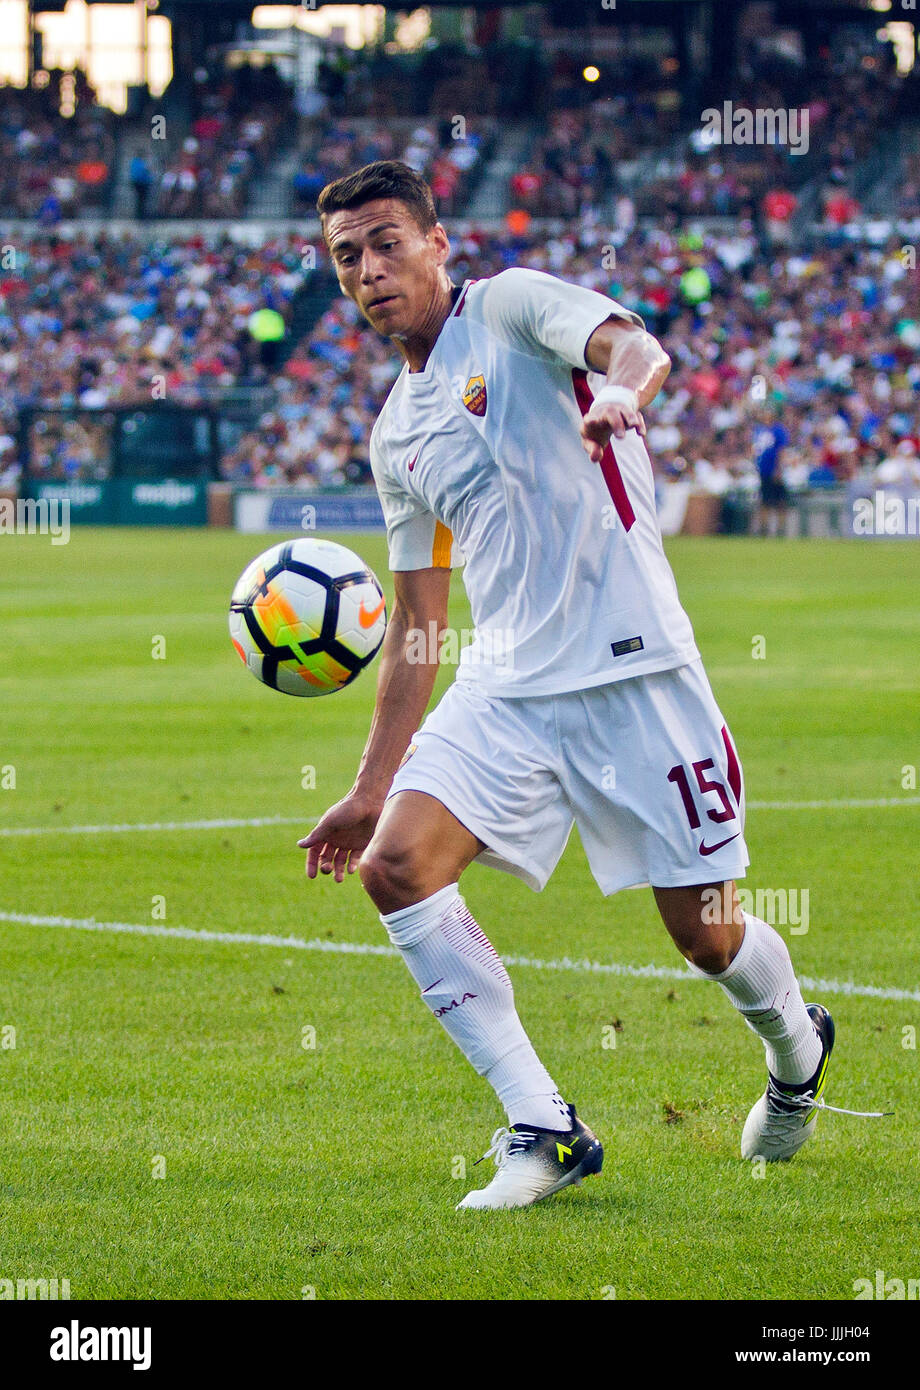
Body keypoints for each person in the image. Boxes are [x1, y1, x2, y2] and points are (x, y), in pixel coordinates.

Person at [299, 161, 836, 1210]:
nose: (368, 269)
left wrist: (621, 402)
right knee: (397, 866)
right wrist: (369, 785)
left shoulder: (509, 306)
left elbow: (637, 348)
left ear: (436, 241)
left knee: (706, 935)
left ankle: (793, 1047)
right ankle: (543, 1126)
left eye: (385, 242)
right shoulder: (393, 431)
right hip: (506, 686)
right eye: (346, 256)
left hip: (638, 675)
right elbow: (418, 620)